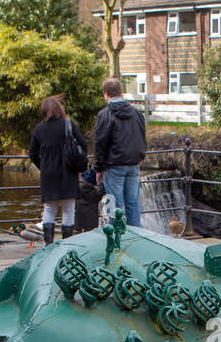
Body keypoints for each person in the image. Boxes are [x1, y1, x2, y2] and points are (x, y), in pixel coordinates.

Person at [27, 95, 86, 243]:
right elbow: (83, 144)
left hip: (48, 174)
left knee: (49, 209)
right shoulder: (68, 124)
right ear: (59, 108)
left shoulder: (39, 129)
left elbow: (32, 153)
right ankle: (66, 243)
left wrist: (43, 166)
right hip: (68, 172)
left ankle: (49, 244)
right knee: (68, 209)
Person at [92, 77, 147, 229]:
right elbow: (142, 136)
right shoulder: (136, 113)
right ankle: (135, 237)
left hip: (114, 165)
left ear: (106, 94)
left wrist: (99, 168)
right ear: (120, 92)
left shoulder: (105, 114)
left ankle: (115, 237)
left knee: (114, 205)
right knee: (133, 204)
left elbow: (100, 143)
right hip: (133, 163)